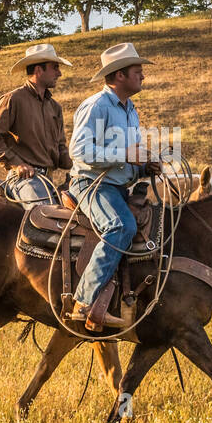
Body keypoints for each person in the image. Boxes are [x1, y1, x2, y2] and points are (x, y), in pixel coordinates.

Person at [67, 43, 162, 329]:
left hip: (118, 186)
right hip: (92, 184)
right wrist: (124, 155)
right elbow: (79, 151)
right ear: (119, 75)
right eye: (137, 71)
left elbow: (127, 156)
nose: (142, 76)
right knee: (121, 226)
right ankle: (83, 302)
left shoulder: (130, 110)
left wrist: (144, 166)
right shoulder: (96, 105)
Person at [0, 43, 74, 207]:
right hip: (24, 180)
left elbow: (60, 149)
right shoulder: (13, 99)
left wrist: (83, 160)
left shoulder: (55, 107)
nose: (59, 73)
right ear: (39, 70)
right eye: (55, 68)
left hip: (48, 181)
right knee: (47, 219)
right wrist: (17, 163)